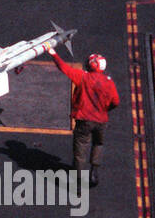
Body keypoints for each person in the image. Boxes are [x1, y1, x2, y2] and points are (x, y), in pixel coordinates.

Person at [47, 47, 119, 188]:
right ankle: (94, 171)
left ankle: (79, 184)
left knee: (80, 152)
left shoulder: (83, 77)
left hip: (84, 120)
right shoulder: (109, 82)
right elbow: (115, 102)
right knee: (98, 144)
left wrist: (53, 53)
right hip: (102, 121)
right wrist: (105, 110)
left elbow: (63, 67)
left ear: (91, 64)